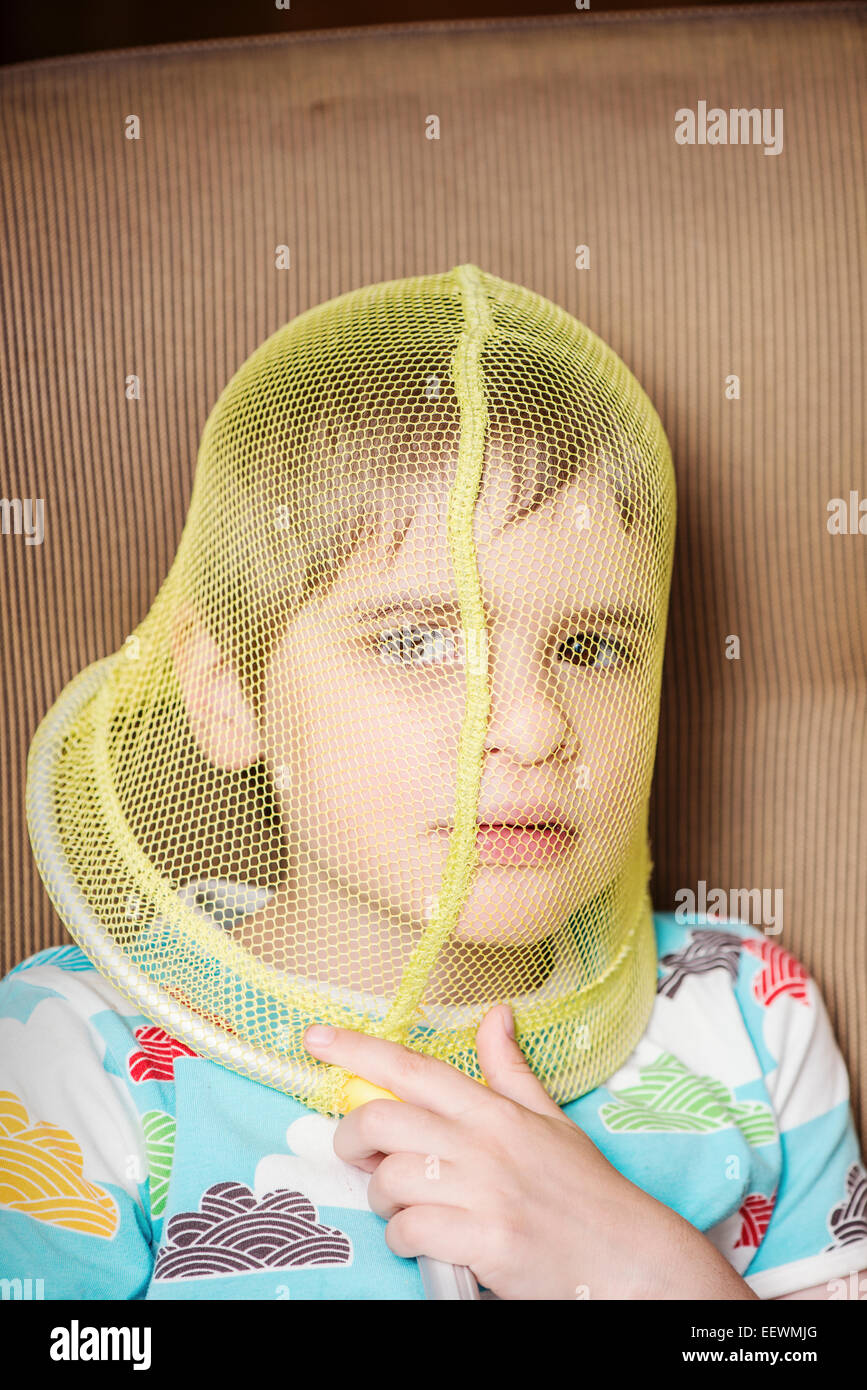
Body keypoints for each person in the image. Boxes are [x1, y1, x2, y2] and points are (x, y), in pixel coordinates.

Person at [2, 267, 866, 1299]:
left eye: (591, 646)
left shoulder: (746, 1015)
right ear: (229, 695)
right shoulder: (70, 1055)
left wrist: (651, 1277)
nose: (536, 724)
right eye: (417, 640)